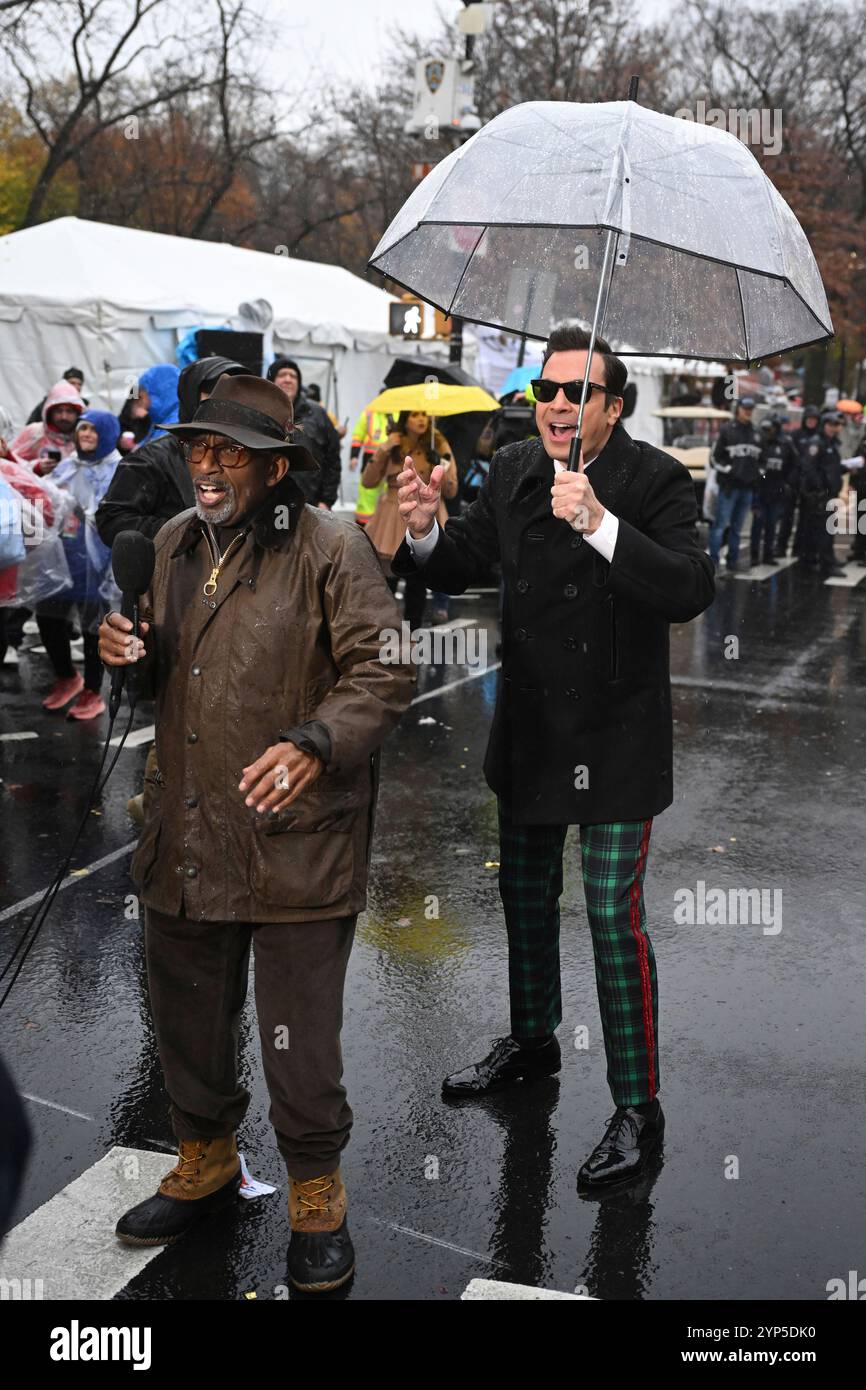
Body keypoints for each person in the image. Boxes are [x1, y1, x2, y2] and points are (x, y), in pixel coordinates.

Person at [98, 374, 414, 1292]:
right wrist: (129, 648)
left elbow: (385, 669)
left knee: (298, 1039)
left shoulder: (333, 547)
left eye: (230, 452)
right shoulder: (168, 542)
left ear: (277, 469)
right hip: (188, 824)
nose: (207, 465)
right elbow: (165, 661)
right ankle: (204, 1157)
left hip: (296, 838)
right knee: (187, 1015)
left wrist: (318, 742)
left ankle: (316, 1191)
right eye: (199, 447)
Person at [392, 323, 714, 1192]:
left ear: (614, 405)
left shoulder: (657, 479)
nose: (559, 405)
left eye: (578, 392)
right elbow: (459, 561)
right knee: (524, 895)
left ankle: (636, 1109)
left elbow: (690, 588)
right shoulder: (515, 469)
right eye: (547, 390)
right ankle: (533, 1043)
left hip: (615, 739)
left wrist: (603, 524)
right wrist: (422, 533)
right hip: (532, 730)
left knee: (612, 915)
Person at [97, 356, 252, 822]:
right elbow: (112, 519)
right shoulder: (154, 457)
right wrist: (183, 531)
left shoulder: (249, 457)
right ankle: (161, 809)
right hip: (175, 601)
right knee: (180, 709)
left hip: (239, 604)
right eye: (211, 400)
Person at [36, 409, 122, 718]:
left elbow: (118, 513)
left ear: (107, 434)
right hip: (63, 558)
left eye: (93, 430)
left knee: (93, 627)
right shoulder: (68, 465)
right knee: (47, 617)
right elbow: (43, 495)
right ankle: (67, 677)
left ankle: (92, 693)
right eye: (83, 428)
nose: (86, 435)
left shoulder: (118, 469)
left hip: (98, 561)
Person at [362, 411, 458, 630]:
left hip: (427, 516)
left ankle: (414, 635)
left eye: (425, 414)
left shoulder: (439, 443)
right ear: (405, 420)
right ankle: (382, 634)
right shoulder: (392, 444)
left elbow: (452, 491)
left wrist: (443, 464)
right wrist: (385, 447)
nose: (422, 419)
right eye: (415, 415)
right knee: (386, 583)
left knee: (418, 583)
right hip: (392, 519)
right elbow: (368, 481)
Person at [266, 357, 341, 508]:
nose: (288, 379)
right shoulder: (259, 412)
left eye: (293, 376)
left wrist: (326, 500)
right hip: (266, 503)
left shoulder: (317, 414)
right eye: (282, 375)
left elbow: (332, 459)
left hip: (308, 504)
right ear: (271, 381)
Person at [708, 396, 761, 573]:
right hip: (729, 488)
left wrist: (757, 474)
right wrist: (730, 470)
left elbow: (763, 460)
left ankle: (733, 562)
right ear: (738, 409)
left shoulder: (756, 433)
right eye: (745, 408)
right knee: (720, 526)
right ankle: (713, 563)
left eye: (750, 409)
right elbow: (714, 458)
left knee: (737, 529)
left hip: (747, 489)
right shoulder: (727, 430)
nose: (748, 411)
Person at [799, 411, 849, 577]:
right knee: (823, 529)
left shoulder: (830, 443)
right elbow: (809, 467)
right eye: (832, 425)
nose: (835, 428)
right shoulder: (817, 443)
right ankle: (825, 563)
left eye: (837, 425)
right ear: (825, 425)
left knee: (822, 528)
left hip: (827, 492)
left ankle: (816, 560)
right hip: (820, 493)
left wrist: (846, 468)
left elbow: (831, 468)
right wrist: (820, 488)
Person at [750, 415, 797, 566]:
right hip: (759, 490)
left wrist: (787, 482)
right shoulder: (757, 443)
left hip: (777, 490)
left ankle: (768, 554)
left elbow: (795, 464)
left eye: (770, 429)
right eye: (765, 429)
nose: (767, 432)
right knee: (758, 524)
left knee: (771, 525)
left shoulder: (785, 444)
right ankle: (754, 555)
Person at [9, 379, 85, 469]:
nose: (64, 417)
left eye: (69, 411)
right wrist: (37, 468)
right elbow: (10, 465)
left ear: (78, 414)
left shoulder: (84, 438)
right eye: (58, 411)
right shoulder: (34, 433)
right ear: (49, 412)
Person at [782, 403, 821, 556]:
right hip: (794, 481)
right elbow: (787, 458)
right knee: (787, 517)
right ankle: (781, 546)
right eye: (809, 419)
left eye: (814, 419)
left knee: (805, 519)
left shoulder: (818, 438)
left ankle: (799, 548)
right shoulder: (795, 435)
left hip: (809, 484)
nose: (811, 422)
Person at [349, 404, 391, 527]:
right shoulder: (369, 413)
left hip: (391, 463)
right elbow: (358, 436)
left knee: (389, 496)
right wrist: (354, 456)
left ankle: (384, 528)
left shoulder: (398, 412)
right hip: (371, 462)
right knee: (367, 497)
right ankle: (363, 528)